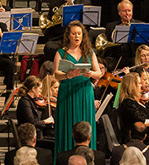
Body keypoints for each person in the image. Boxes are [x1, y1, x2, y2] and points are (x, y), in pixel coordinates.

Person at [53, 21, 103, 155]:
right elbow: (56, 74)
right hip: (67, 91)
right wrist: (68, 75)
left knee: (85, 122)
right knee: (67, 125)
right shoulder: (61, 53)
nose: (77, 36)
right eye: (74, 33)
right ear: (68, 35)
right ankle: (65, 157)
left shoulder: (89, 52)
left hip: (84, 91)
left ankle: (87, 157)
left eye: (79, 34)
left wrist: (91, 74)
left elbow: (99, 73)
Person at [16, 76, 55, 143]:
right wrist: (45, 121)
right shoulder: (24, 102)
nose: (41, 91)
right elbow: (32, 122)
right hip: (29, 138)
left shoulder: (32, 101)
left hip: (37, 134)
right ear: (33, 89)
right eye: (40, 88)